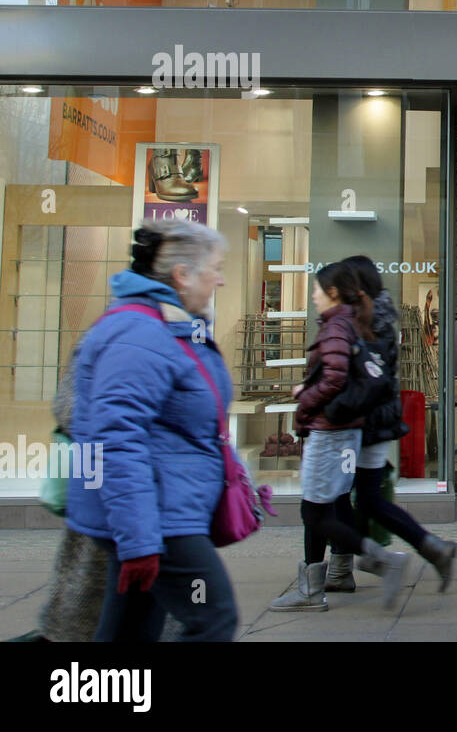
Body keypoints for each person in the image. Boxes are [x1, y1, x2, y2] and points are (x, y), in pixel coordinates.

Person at [65, 219, 239, 641]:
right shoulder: (140, 332)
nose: (220, 279)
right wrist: (141, 540)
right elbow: (115, 440)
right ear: (182, 275)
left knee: (130, 630)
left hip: (160, 510)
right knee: (212, 617)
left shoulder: (165, 327)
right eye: (214, 267)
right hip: (159, 519)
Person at [269, 262, 408, 612]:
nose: (313, 296)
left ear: (333, 293)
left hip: (329, 431)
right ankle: (321, 584)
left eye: (316, 290)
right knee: (323, 508)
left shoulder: (336, 327)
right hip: (340, 432)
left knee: (316, 512)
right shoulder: (350, 324)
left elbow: (335, 379)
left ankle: (376, 562)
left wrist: (306, 398)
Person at [322, 256, 457, 594]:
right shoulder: (379, 318)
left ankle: (360, 563)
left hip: (356, 425)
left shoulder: (358, 322)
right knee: (366, 500)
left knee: (329, 500)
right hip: (375, 422)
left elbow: (348, 377)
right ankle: (429, 547)